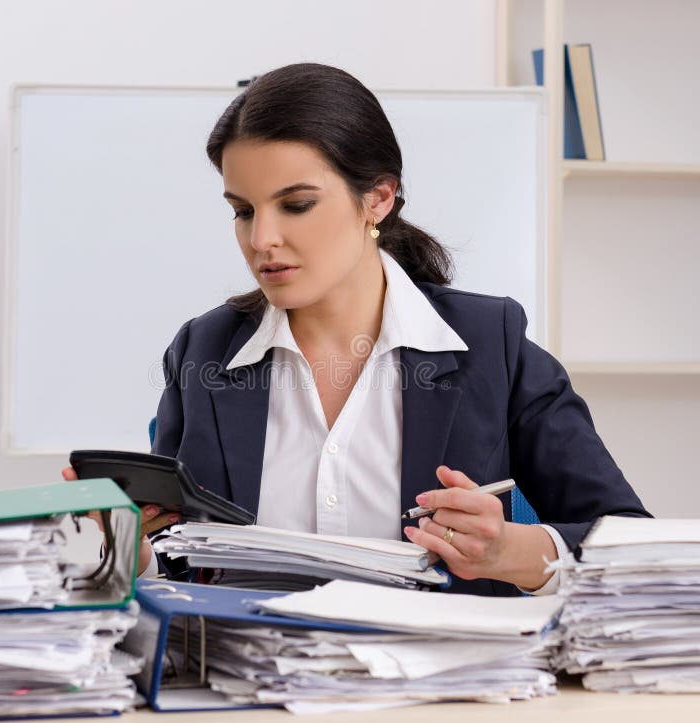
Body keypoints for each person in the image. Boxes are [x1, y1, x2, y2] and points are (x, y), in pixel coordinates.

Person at [65, 62, 649, 595]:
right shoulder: (204, 351)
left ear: (378, 199)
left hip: (439, 695)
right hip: (250, 693)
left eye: (295, 205)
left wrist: (512, 552)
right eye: (243, 210)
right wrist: (129, 548)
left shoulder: (490, 342)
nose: (261, 238)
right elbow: (180, 564)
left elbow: (630, 542)